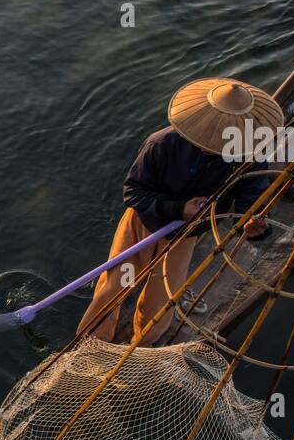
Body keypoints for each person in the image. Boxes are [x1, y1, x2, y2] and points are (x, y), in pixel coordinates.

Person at [76, 77, 283, 344]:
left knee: (161, 304)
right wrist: (177, 209)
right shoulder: (162, 144)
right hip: (143, 224)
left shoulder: (249, 158)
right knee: (117, 286)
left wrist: (255, 225)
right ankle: (91, 343)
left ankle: (141, 345)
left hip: (185, 236)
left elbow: (251, 206)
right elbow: (133, 191)